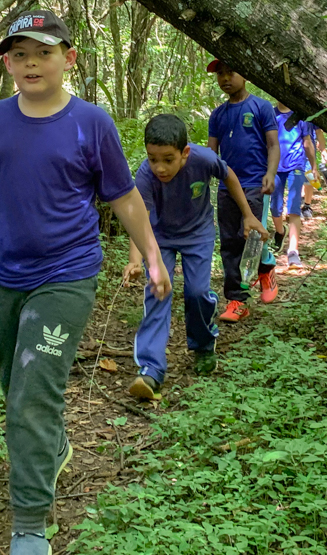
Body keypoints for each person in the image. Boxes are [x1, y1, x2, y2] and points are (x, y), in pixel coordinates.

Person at [0, 9, 171, 555]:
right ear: (7, 64)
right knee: (13, 385)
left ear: (68, 59)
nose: (31, 63)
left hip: (67, 274)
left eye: (43, 52)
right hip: (2, 274)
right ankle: (52, 444)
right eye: (19, 54)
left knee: (30, 398)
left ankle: (29, 526)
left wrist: (153, 256)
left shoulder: (92, 123)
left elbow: (123, 196)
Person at [122, 114, 266, 398]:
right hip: (159, 237)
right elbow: (140, 218)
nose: (159, 167)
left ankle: (202, 347)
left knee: (198, 292)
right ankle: (150, 370)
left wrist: (248, 215)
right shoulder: (145, 175)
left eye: (167, 159)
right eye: (153, 159)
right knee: (158, 291)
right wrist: (135, 259)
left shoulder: (203, 158)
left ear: (184, 153)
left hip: (197, 234)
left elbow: (230, 176)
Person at [207, 60, 279, 319]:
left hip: (255, 184)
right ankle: (237, 301)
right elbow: (211, 153)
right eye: (220, 74)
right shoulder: (218, 115)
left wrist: (270, 174)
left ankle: (266, 265)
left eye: (231, 72)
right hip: (227, 186)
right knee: (229, 242)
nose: (225, 78)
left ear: (244, 74)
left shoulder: (260, 107)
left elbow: (272, 145)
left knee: (251, 238)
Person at [270, 103, 317, 269]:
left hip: (295, 165)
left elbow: (307, 142)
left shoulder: (300, 116)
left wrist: (313, 166)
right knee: (275, 208)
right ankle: (280, 232)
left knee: (293, 208)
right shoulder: (270, 114)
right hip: (275, 167)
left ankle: (293, 251)